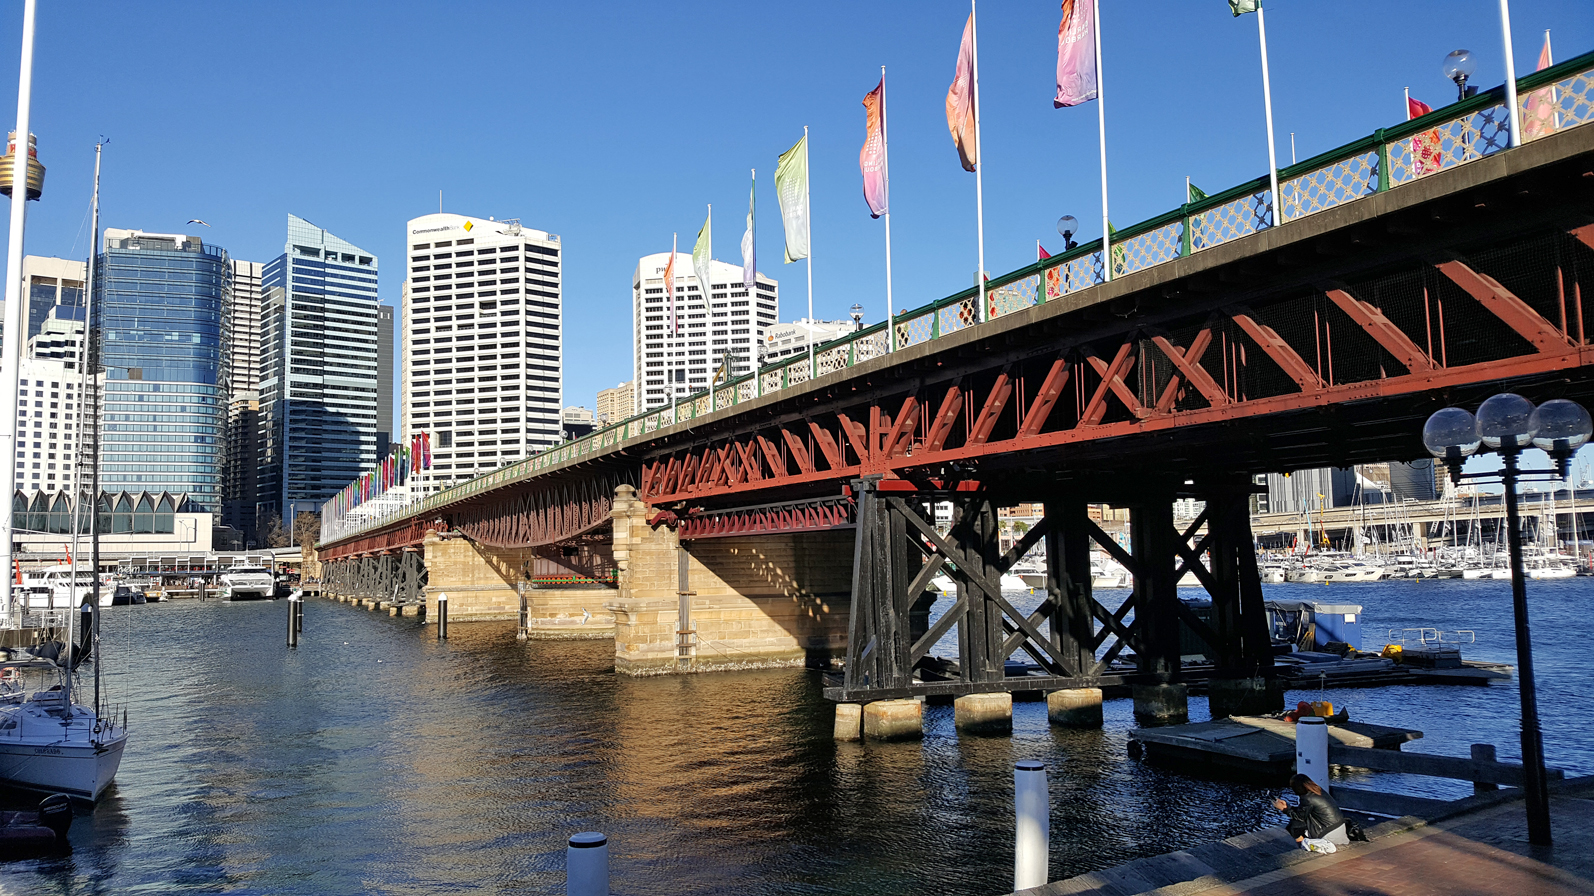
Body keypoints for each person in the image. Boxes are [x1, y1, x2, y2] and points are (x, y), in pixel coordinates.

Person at [1273, 774, 1349, 851]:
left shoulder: (1307, 798)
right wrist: (1288, 807)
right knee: (1297, 824)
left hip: (1327, 832)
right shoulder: (1317, 791)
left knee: (1294, 826)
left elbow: (1299, 817)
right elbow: (1303, 811)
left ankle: (1303, 846)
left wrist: (1284, 809)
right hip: (1338, 826)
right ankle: (1305, 843)